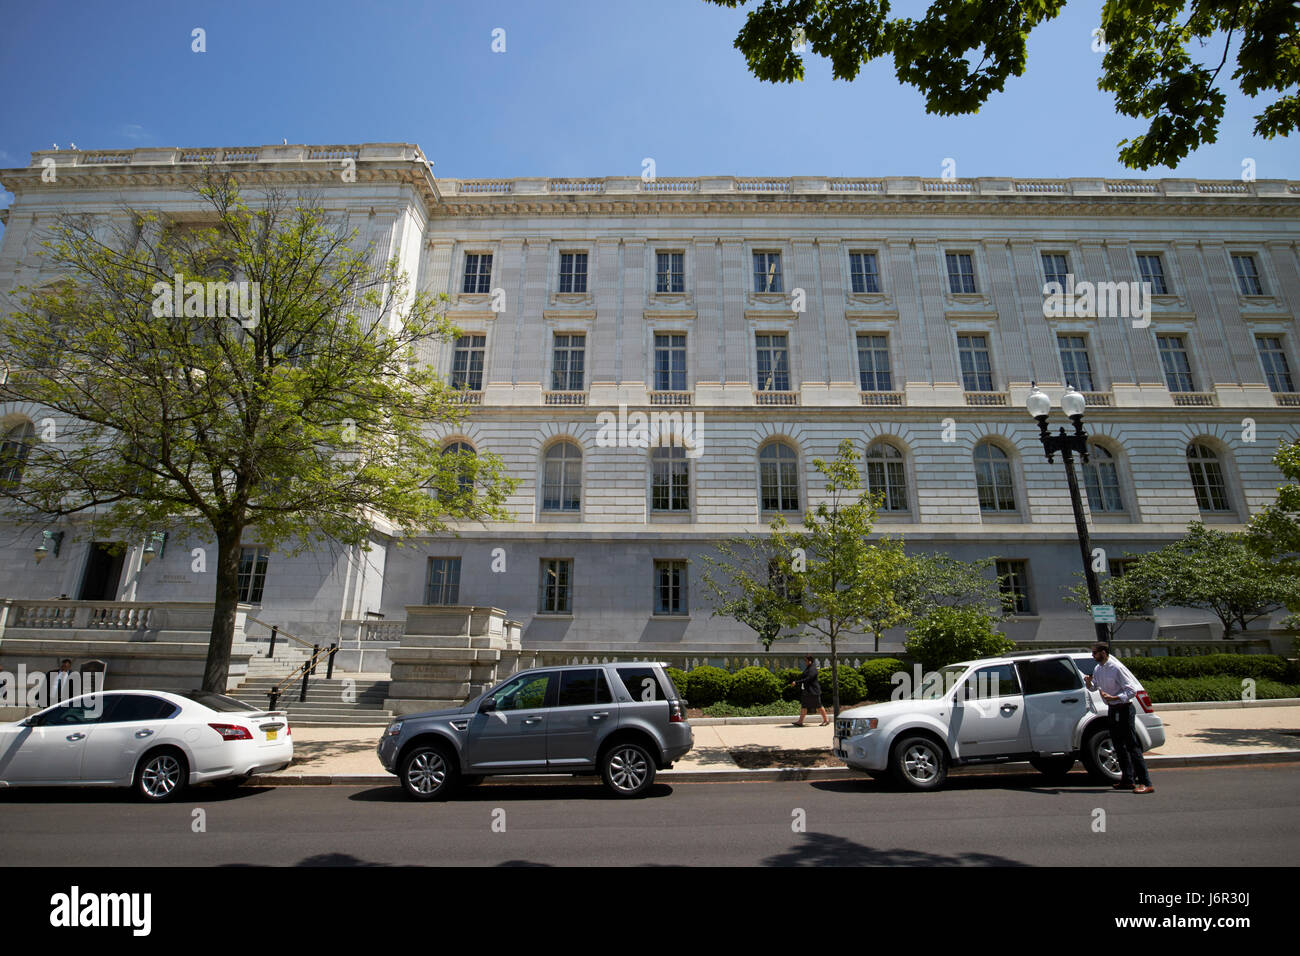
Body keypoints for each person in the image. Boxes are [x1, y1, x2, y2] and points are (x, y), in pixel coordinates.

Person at [1083, 642, 1154, 794]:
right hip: (1112, 709)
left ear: (1103, 652)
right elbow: (1095, 687)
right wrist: (1089, 683)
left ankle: (1145, 782)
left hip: (1124, 709)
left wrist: (1114, 697)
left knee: (1131, 745)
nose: (1093, 655)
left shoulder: (1116, 668)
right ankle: (1127, 780)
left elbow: (1131, 690)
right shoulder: (1098, 669)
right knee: (1118, 744)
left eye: (1095, 652)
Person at [789, 655, 829, 727]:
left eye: (806, 661)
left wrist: (797, 682)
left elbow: (809, 678)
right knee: (804, 705)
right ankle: (800, 722)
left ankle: (826, 720)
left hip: (813, 691)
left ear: (810, 661)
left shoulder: (813, 669)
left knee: (819, 705)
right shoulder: (808, 668)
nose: (805, 662)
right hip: (807, 690)